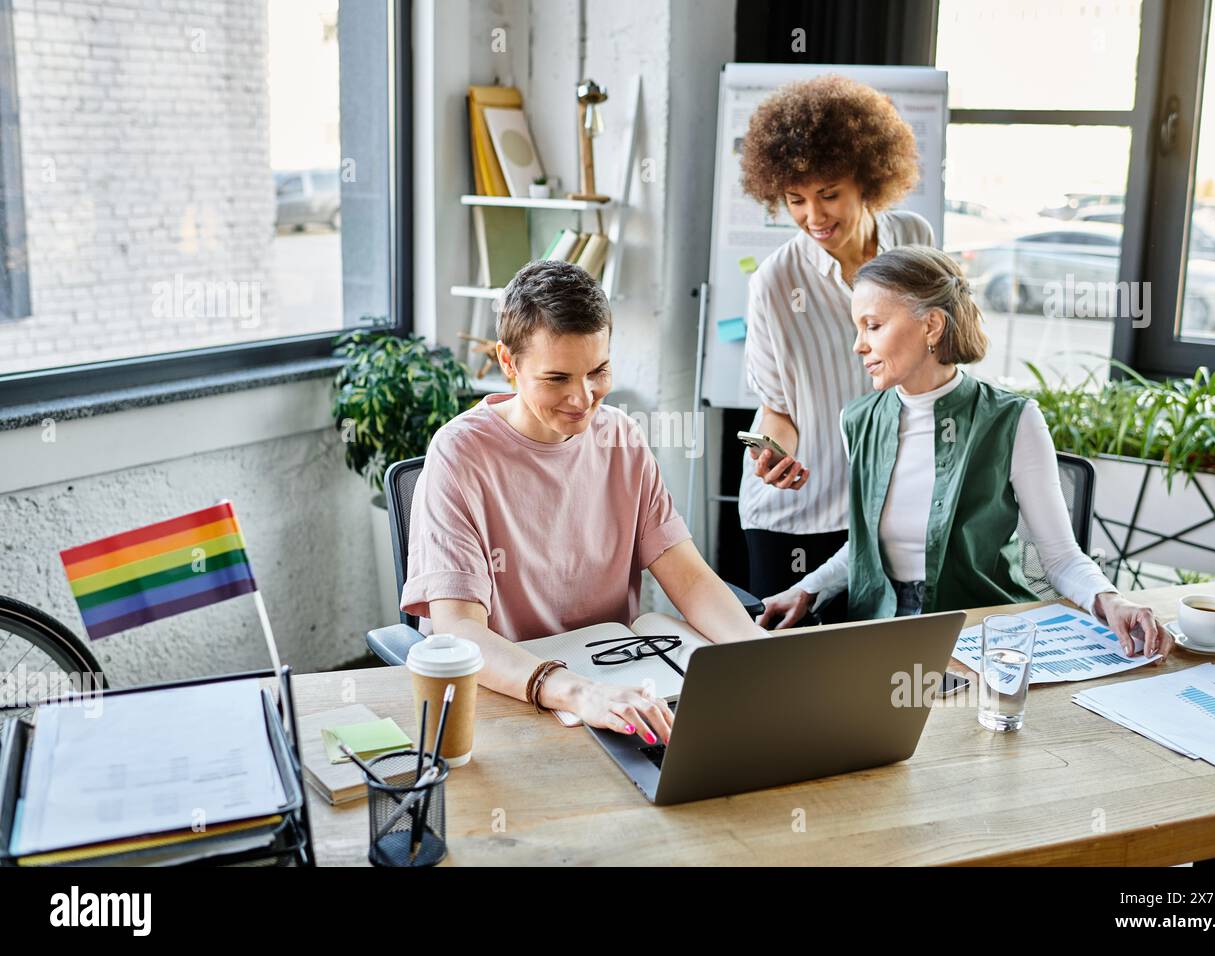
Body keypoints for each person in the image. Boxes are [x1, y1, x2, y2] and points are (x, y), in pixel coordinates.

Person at [400, 260, 765, 747]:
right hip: (515, 699)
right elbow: (459, 630)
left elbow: (690, 576)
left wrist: (764, 657)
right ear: (509, 364)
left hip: (617, 691)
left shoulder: (622, 439)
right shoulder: (459, 456)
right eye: (556, 379)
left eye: (598, 371)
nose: (583, 397)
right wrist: (578, 692)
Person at [757, 245, 1174, 662]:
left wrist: (1111, 600)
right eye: (857, 329)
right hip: (878, 629)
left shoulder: (1014, 419)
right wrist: (806, 588)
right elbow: (867, 547)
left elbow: (1060, 557)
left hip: (981, 632)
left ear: (932, 325)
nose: (858, 346)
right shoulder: (858, 420)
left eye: (873, 326)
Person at [736, 74, 935, 619]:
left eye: (829, 195)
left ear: (868, 182)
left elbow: (936, 355)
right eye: (795, 200)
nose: (814, 217)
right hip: (797, 517)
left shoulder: (915, 239)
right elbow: (777, 407)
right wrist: (773, 450)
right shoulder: (776, 282)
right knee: (788, 677)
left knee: (874, 673)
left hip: (888, 505)